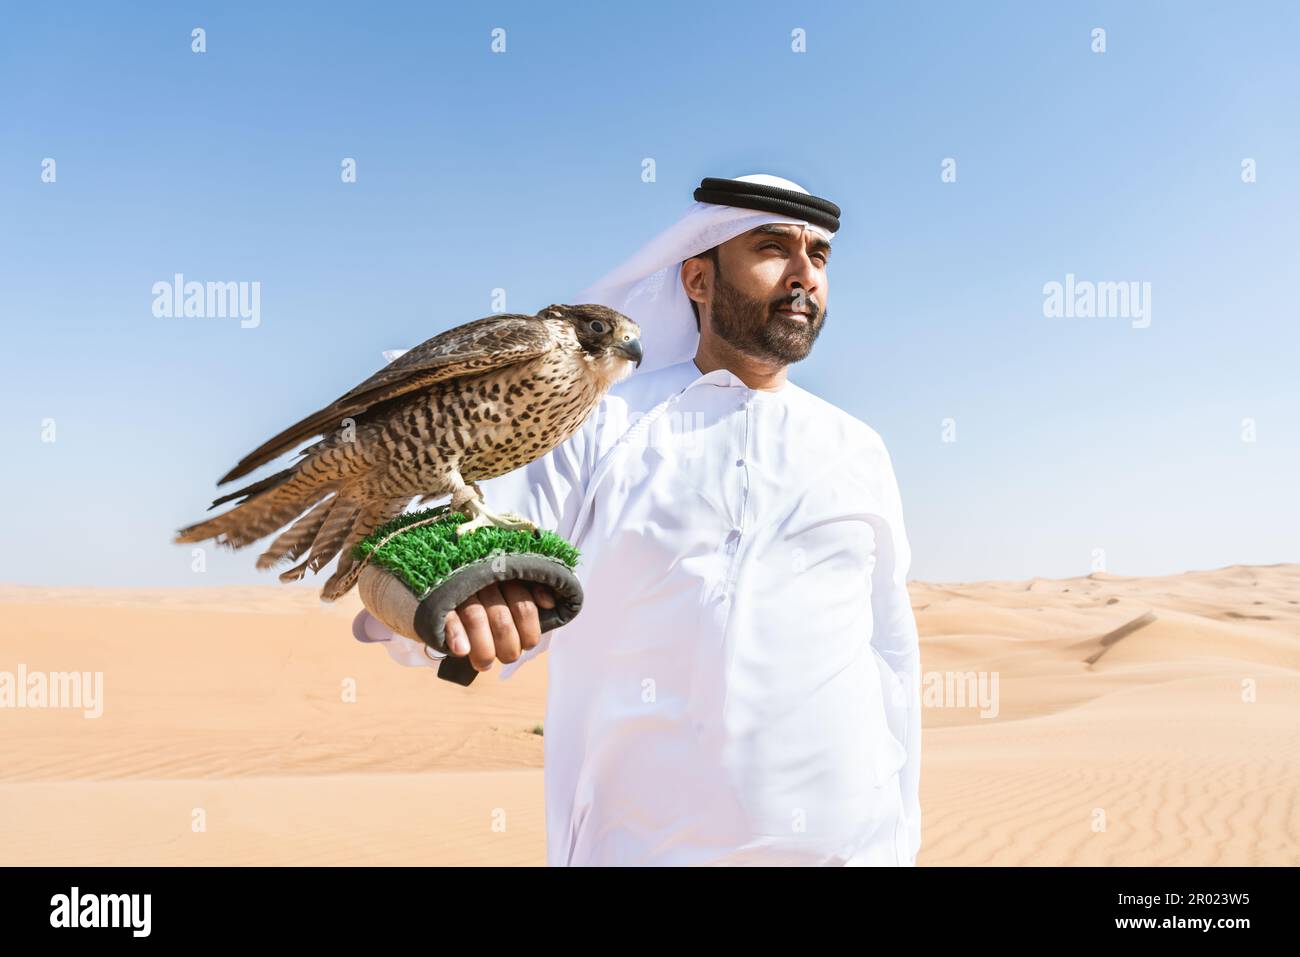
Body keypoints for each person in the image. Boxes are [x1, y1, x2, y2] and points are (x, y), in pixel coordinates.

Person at [353, 173, 922, 866]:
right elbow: (460, 557)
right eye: (773, 248)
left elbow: (892, 657)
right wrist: (441, 602)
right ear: (698, 279)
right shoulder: (594, 419)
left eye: (820, 257)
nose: (805, 274)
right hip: (638, 847)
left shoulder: (858, 448)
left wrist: (902, 837)